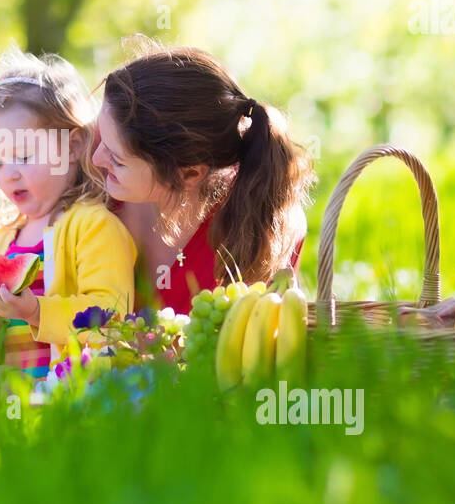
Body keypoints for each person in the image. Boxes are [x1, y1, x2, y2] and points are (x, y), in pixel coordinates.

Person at [0, 50, 136, 378]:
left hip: (78, 393)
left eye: (23, 156)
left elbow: (110, 317)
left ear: (73, 145)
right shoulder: (2, 242)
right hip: (17, 402)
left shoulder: (93, 227)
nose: (8, 173)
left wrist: (35, 311)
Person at [92, 44, 316, 314]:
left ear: (189, 174)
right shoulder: (93, 161)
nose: (95, 159)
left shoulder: (261, 229)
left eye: (117, 159)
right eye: (102, 138)